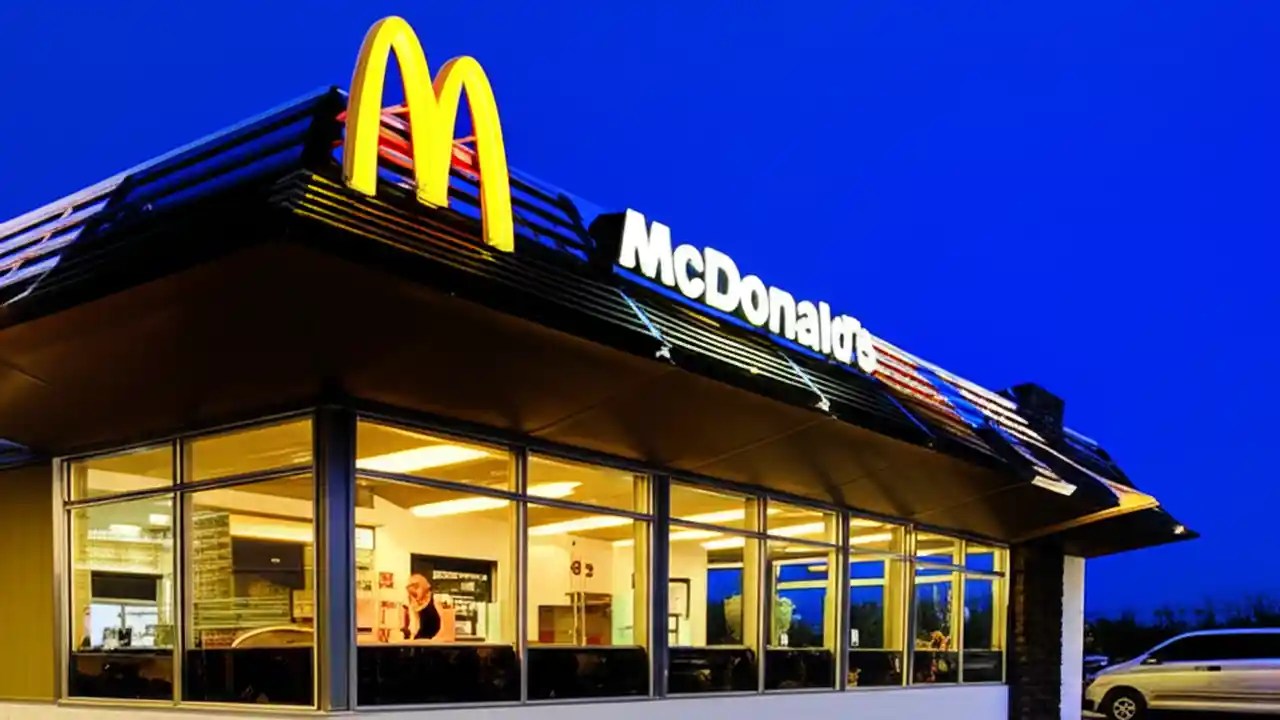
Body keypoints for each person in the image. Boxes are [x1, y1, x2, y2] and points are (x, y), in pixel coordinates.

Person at [405, 574, 442, 640]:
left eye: (416, 587)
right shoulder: (413, 604)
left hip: (435, 641)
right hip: (420, 641)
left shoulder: (435, 599)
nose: (415, 592)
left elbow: (443, 623)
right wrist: (412, 638)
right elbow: (414, 623)